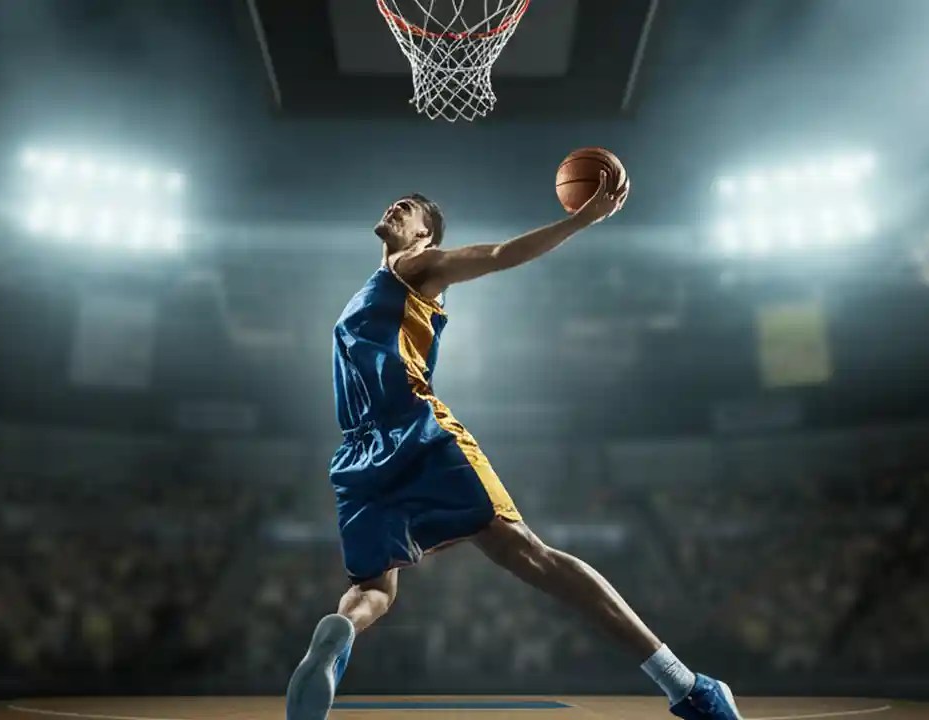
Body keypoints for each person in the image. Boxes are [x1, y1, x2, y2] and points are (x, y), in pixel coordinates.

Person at [285, 172, 743, 720]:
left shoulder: (414, 270)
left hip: (358, 456)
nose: (395, 207)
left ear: (424, 237)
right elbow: (502, 254)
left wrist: (579, 218)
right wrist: (583, 219)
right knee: (530, 556)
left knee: (372, 588)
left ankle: (339, 638)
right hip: (414, 432)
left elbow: (498, 253)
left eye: (407, 208)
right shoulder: (390, 280)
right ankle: (688, 688)